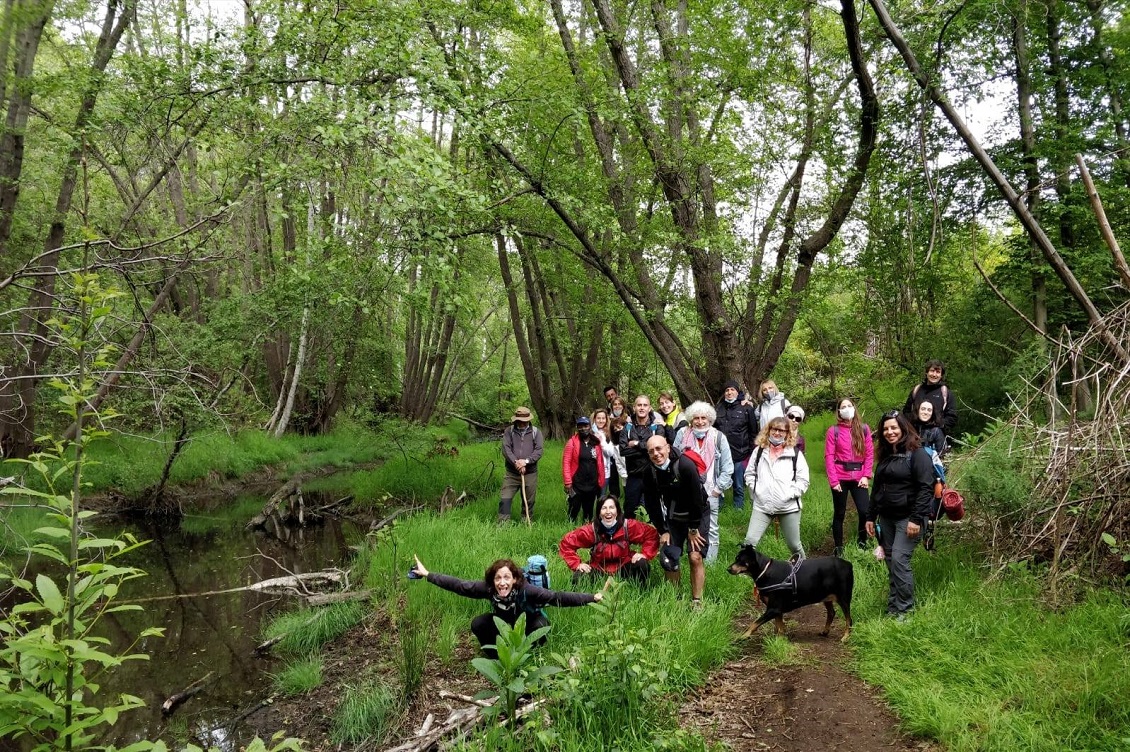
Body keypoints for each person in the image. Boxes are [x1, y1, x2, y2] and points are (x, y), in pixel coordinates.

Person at [411, 555, 601, 657]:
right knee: (478, 623)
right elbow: (458, 585)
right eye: (498, 578)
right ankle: (497, 657)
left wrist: (592, 597)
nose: (502, 583)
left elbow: (559, 597)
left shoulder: (529, 591)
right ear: (493, 580)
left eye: (506, 578)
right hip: (504, 623)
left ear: (515, 579)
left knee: (541, 627)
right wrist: (428, 574)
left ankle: (527, 656)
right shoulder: (488, 589)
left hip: (528, 622)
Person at [865, 411, 935, 620]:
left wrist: (916, 519)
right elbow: (877, 488)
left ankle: (906, 610)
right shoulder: (886, 455)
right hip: (887, 517)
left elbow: (926, 488)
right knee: (890, 560)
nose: (889, 432)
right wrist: (870, 516)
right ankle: (894, 606)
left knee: (899, 559)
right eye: (886, 429)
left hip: (909, 518)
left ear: (904, 428)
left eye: (894, 427)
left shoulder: (918, 454)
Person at [642, 435, 710, 609]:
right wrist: (662, 529)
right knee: (669, 557)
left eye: (659, 449)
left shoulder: (685, 465)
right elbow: (652, 504)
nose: (656, 454)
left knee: (695, 557)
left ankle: (696, 601)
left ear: (667, 447)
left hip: (697, 514)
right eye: (651, 451)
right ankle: (676, 599)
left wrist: (693, 528)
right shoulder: (649, 472)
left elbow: (697, 499)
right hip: (673, 517)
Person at [672, 401, 733, 564]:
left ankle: (710, 563)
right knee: (684, 524)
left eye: (703, 418)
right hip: (685, 492)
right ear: (691, 419)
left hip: (710, 491)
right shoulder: (682, 434)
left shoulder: (719, 437)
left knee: (711, 528)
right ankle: (688, 556)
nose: (699, 421)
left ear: (710, 419)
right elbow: (674, 458)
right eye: (696, 418)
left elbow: (728, 467)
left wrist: (717, 490)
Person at [743, 417, 811, 560]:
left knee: (794, 545)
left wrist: (790, 494)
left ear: (788, 433)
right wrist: (756, 490)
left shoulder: (795, 454)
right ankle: (746, 574)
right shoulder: (759, 451)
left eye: (781, 430)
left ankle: (805, 572)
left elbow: (803, 480)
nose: (777, 433)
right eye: (774, 429)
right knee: (749, 543)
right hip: (762, 506)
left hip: (788, 507)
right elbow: (749, 473)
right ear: (769, 430)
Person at [559, 496, 660, 584]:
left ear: (617, 511)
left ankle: (639, 590)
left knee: (642, 563)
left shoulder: (627, 526)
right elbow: (567, 543)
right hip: (599, 567)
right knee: (578, 578)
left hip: (624, 565)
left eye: (611, 507)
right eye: (604, 508)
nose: (608, 512)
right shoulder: (592, 530)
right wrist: (577, 564)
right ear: (599, 513)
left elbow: (651, 534)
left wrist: (645, 554)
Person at [824, 398, 873, 556]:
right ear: (838, 412)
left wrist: (866, 475)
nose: (846, 409)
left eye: (849, 406)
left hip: (859, 477)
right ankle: (838, 548)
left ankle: (862, 542)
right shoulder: (834, 431)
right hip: (840, 477)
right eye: (843, 407)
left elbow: (869, 454)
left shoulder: (864, 429)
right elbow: (829, 456)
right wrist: (833, 481)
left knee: (864, 511)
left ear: (854, 408)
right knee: (840, 513)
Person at [619, 395, 669, 519]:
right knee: (629, 510)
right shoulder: (627, 427)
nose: (642, 408)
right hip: (633, 476)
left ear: (650, 408)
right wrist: (647, 448)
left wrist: (636, 444)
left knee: (655, 510)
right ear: (634, 408)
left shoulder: (657, 427)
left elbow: (659, 447)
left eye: (645, 405)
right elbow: (623, 451)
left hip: (653, 475)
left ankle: (657, 536)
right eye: (639, 405)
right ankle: (628, 537)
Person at [714, 379, 759, 510]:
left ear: (737, 391)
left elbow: (753, 431)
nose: (729, 392)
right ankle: (719, 506)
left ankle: (738, 508)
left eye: (732, 390)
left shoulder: (746, 408)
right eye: (727, 390)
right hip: (721, 452)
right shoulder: (718, 408)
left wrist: (751, 451)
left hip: (739, 452)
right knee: (720, 481)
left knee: (738, 484)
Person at [499, 406, 543, 523]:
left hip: (530, 473)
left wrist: (526, 461)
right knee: (505, 498)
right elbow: (506, 449)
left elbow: (539, 450)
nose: (522, 423)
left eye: (524, 421)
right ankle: (503, 524)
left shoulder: (536, 432)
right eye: (519, 421)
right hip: (511, 473)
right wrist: (516, 462)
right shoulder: (509, 431)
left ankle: (526, 520)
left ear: (528, 420)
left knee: (529, 500)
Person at [563, 416, 606, 523]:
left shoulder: (596, 442)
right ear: (577, 428)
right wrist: (568, 481)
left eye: (585, 426)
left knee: (589, 511)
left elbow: (600, 462)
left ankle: (587, 531)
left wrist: (601, 480)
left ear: (590, 427)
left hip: (592, 483)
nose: (583, 429)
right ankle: (570, 529)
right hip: (577, 483)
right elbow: (566, 462)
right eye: (580, 426)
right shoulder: (572, 442)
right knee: (574, 508)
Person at [902, 360, 957, 438]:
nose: (934, 374)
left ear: (941, 375)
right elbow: (906, 412)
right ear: (926, 372)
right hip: (914, 437)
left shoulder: (946, 393)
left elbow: (952, 418)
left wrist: (935, 424)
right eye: (932, 371)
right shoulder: (917, 390)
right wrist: (915, 420)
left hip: (936, 438)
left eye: (938, 372)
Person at [592, 408, 627, 499]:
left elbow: (610, 452)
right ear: (594, 419)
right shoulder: (590, 433)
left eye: (603, 418)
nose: (601, 420)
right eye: (598, 418)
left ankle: (600, 512)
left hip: (604, 471)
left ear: (606, 419)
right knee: (590, 497)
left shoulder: (609, 434)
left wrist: (601, 441)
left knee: (601, 497)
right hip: (591, 470)